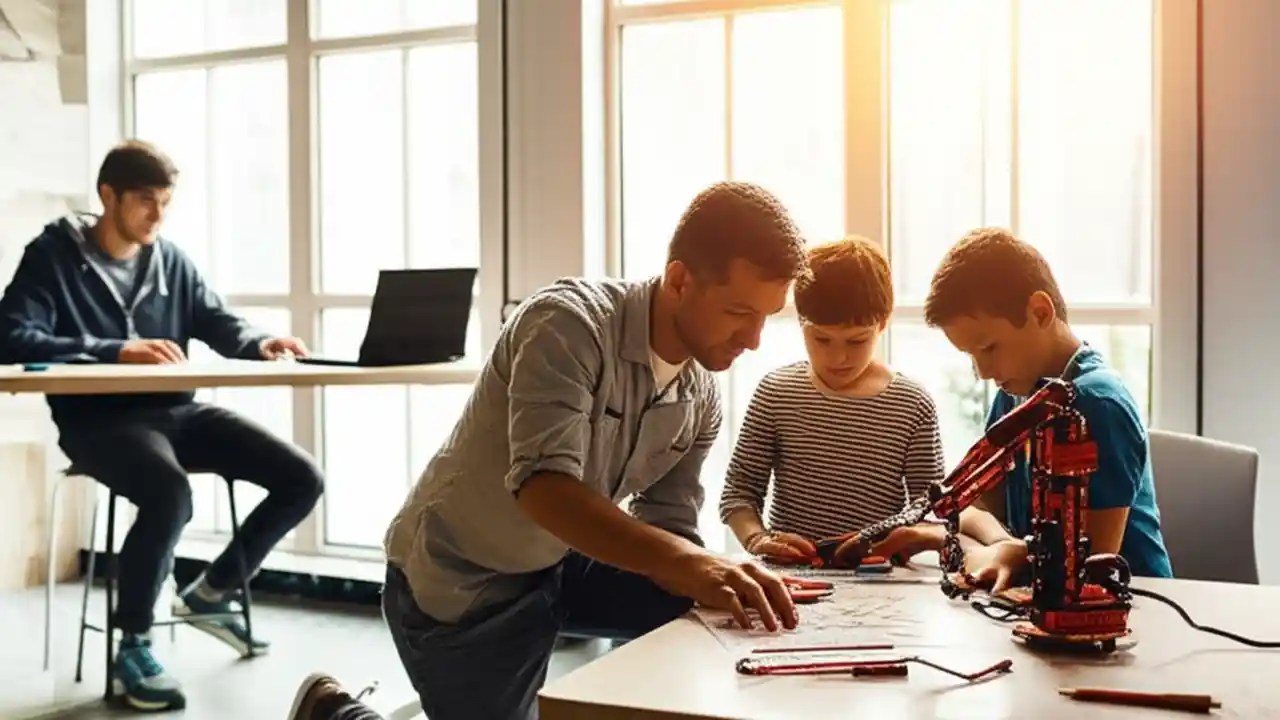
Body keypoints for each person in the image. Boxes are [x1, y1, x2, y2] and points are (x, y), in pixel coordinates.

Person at [380, 181, 808, 720]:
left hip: (564, 563)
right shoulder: (566, 323)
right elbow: (545, 492)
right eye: (739, 312)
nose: (753, 340)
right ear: (679, 279)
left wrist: (735, 581)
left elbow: (668, 529)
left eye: (767, 316)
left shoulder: (700, 396)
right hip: (466, 580)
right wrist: (693, 562)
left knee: (710, 600)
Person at [0, 140, 325, 712]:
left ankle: (212, 591)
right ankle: (134, 646)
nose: (157, 215)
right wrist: (114, 350)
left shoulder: (168, 258)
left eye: (165, 203)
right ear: (109, 196)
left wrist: (260, 341)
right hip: (97, 422)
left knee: (302, 477)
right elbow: (12, 336)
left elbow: (217, 321)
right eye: (146, 201)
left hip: (176, 413)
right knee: (169, 493)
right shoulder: (51, 257)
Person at [918, 226, 1172, 592]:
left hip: (1132, 610)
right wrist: (1006, 547)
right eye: (971, 356)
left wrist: (1006, 550)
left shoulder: (1095, 405)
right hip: (1039, 600)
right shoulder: (1017, 392)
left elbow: (1092, 562)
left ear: (1039, 312)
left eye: (989, 348)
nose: (983, 372)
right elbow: (973, 509)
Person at [719, 236, 947, 566]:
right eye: (821, 339)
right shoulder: (776, 392)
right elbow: (738, 493)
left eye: (857, 341)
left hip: (879, 582)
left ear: (882, 324)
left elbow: (931, 511)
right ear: (800, 323)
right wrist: (758, 539)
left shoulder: (912, 404)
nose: (838, 357)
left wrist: (900, 540)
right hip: (791, 581)